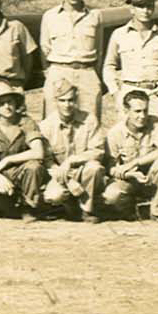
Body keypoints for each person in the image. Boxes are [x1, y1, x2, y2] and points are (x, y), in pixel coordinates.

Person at [102, 0, 158, 126]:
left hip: (155, 94)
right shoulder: (119, 35)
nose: (145, 11)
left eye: (149, 6)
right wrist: (116, 92)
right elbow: (108, 66)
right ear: (132, 9)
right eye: (140, 7)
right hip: (128, 93)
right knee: (128, 140)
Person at [101, 88, 158, 222]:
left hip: (152, 179)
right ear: (126, 111)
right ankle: (131, 210)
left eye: (145, 110)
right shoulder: (115, 133)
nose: (142, 116)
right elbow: (110, 167)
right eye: (137, 111)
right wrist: (129, 174)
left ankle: (157, 210)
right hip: (128, 180)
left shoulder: (156, 123)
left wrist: (135, 163)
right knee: (112, 196)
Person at [37, 78, 106, 222]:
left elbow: (97, 151)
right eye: (62, 101)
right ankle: (68, 206)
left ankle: (86, 210)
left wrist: (71, 161)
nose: (67, 105)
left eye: (71, 100)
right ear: (55, 101)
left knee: (94, 168)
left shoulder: (90, 120)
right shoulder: (46, 126)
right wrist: (68, 180)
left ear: (77, 101)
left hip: (84, 171)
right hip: (60, 174)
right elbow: (47, 160)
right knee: (53, 195)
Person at [38, 0, 103, 121]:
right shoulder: (50, 16)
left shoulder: (95, 15)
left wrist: (95, 74)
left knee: (90, 120)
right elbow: (45, 47)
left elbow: (99, 49)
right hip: (59, 71)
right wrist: (50, 72)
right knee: (53, 120)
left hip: (86, 71)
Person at [0, 84, 47, 222]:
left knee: (34, 167)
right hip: (0, 173)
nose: (7, 107)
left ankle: (28, 207)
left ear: (16, 104)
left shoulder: (26, 122)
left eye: (10, 102)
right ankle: (8, 210)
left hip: (22, 171)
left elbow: (38, 152)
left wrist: (7, 160)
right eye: (2, 104)